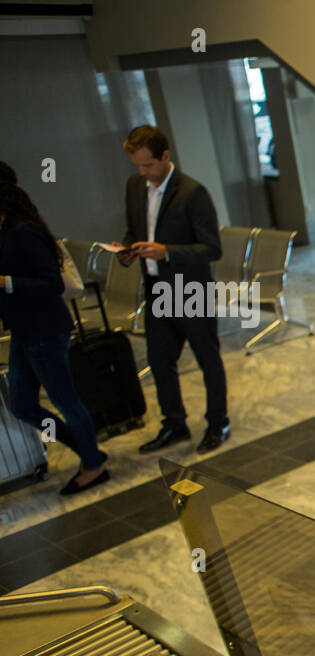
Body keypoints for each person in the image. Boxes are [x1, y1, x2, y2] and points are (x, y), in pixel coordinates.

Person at [118, 125, 229, 454]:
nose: (142, 172)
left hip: (191, 288)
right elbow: (134, 230)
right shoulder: (135, 186)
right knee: (159, 359)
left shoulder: (192, 192)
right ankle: (175, 424)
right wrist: (126, 248)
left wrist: (167, 251)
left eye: (148, 165)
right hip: (156, 288)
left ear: (165, 156)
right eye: (137, 166)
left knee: (207, 357)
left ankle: (218, 422)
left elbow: (212, 249)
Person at [0, 182, 110, 495]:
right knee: (22, 404)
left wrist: (5, 282)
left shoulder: (23, 231)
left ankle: (93, 465)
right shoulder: (5, 229)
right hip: (23, 330)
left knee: (65, 400)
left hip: (45, 329)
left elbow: (51, 283)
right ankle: (89, 451)